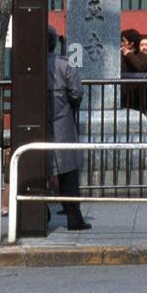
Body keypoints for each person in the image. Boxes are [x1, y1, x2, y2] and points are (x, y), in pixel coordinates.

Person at [46, 30, 90, 231]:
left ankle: (39, 211)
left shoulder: (29, 65)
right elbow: (77, 93)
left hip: (39, 124)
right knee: (68, 173)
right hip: (63, 122)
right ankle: (74, 217)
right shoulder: (65, 65)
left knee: (37, 169)